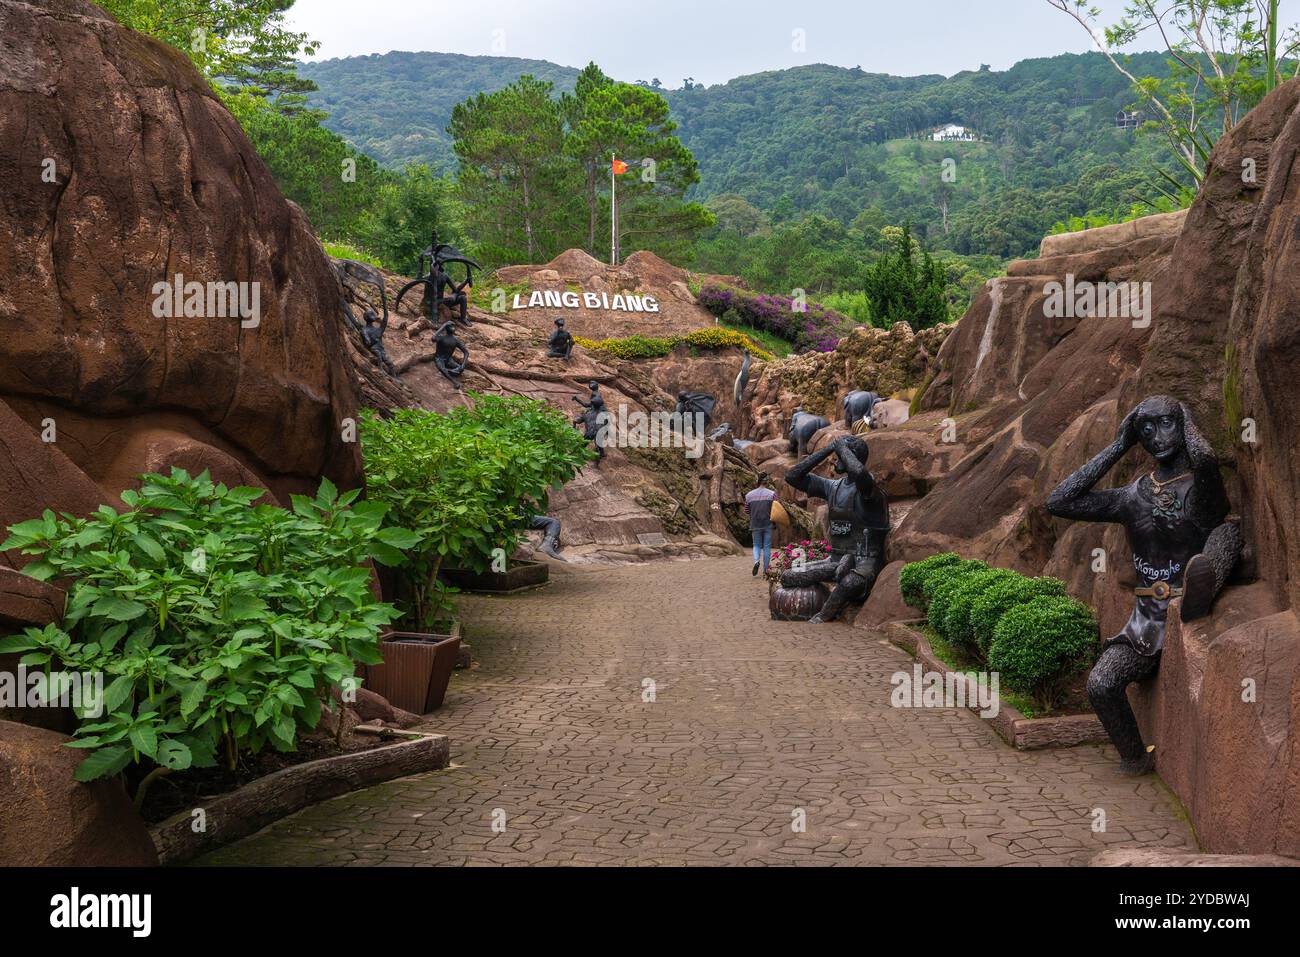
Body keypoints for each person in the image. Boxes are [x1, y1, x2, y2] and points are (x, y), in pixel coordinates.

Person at [1046, 396, 1241, 775]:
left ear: (1183, 426)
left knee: (1226, 534)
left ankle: (1201, 585)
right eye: (1145, 429)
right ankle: (1136, 759)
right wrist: (1119, 444)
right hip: (1146, 623)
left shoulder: (1202, 487)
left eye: (1166, 423)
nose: (1156, 436)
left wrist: (1186, 417)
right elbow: (1059, 500)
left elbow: (1204, 459)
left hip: (1187, 597)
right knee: (1101, 685)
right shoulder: (1130, 496)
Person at [781, 435, 889, 623]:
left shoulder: (868, 489)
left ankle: (824, 614)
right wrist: (828, 449)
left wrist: (842, 448)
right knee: (789, 575)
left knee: (850, 582)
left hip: (864, 564)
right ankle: (838, 573)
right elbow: (792, 476)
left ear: (851, 457)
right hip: (836, 560)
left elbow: (861, 475)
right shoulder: (832, 486)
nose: (836, 460)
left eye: (840, 456)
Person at [744, 473, 778, 577]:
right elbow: (777, 509)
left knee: (756, 545)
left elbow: (746, 510)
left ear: (758, 481)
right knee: (767, 547)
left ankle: (756, 562)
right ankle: (765, 571)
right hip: (768, 523)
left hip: (755, 524)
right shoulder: (772, 494)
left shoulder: (749, 495)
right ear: (767, 482)